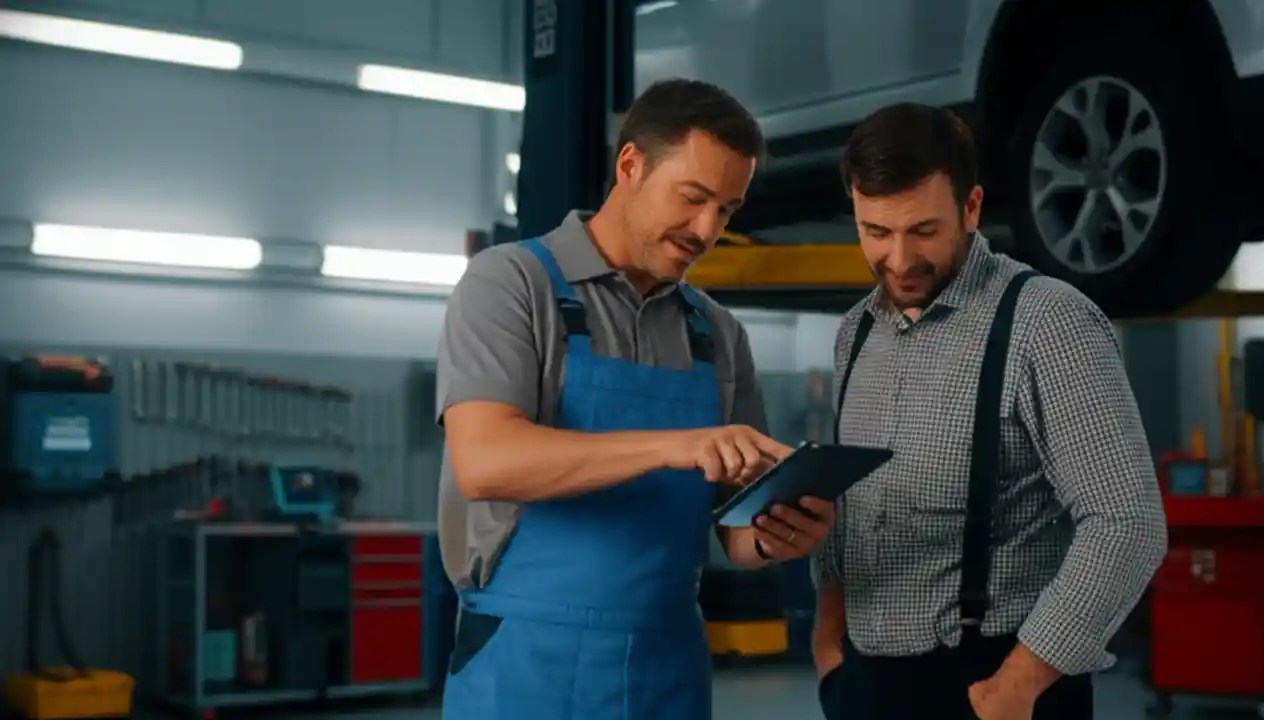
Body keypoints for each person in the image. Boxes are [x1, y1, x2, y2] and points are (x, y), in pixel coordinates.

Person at [434, 78, 837, 720]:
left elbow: (735, 537)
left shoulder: (718, 336)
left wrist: (780, 533)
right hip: (525, 668)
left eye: (727, 210)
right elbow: (486, 461)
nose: (707, 230)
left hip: (666, 671)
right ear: (630, 166)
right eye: (694, 197)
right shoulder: (510, 285)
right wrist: (677, 445)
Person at [810, 102, 1169, 720]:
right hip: (864, 685)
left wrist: (1018, 685)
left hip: (997, 691)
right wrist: (827, 644)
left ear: (971, 207)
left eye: (923, 231)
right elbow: (848, 509)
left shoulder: (1048, 324)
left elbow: (1127, 525)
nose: (898, 260)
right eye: (876, 232)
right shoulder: (855, 332)